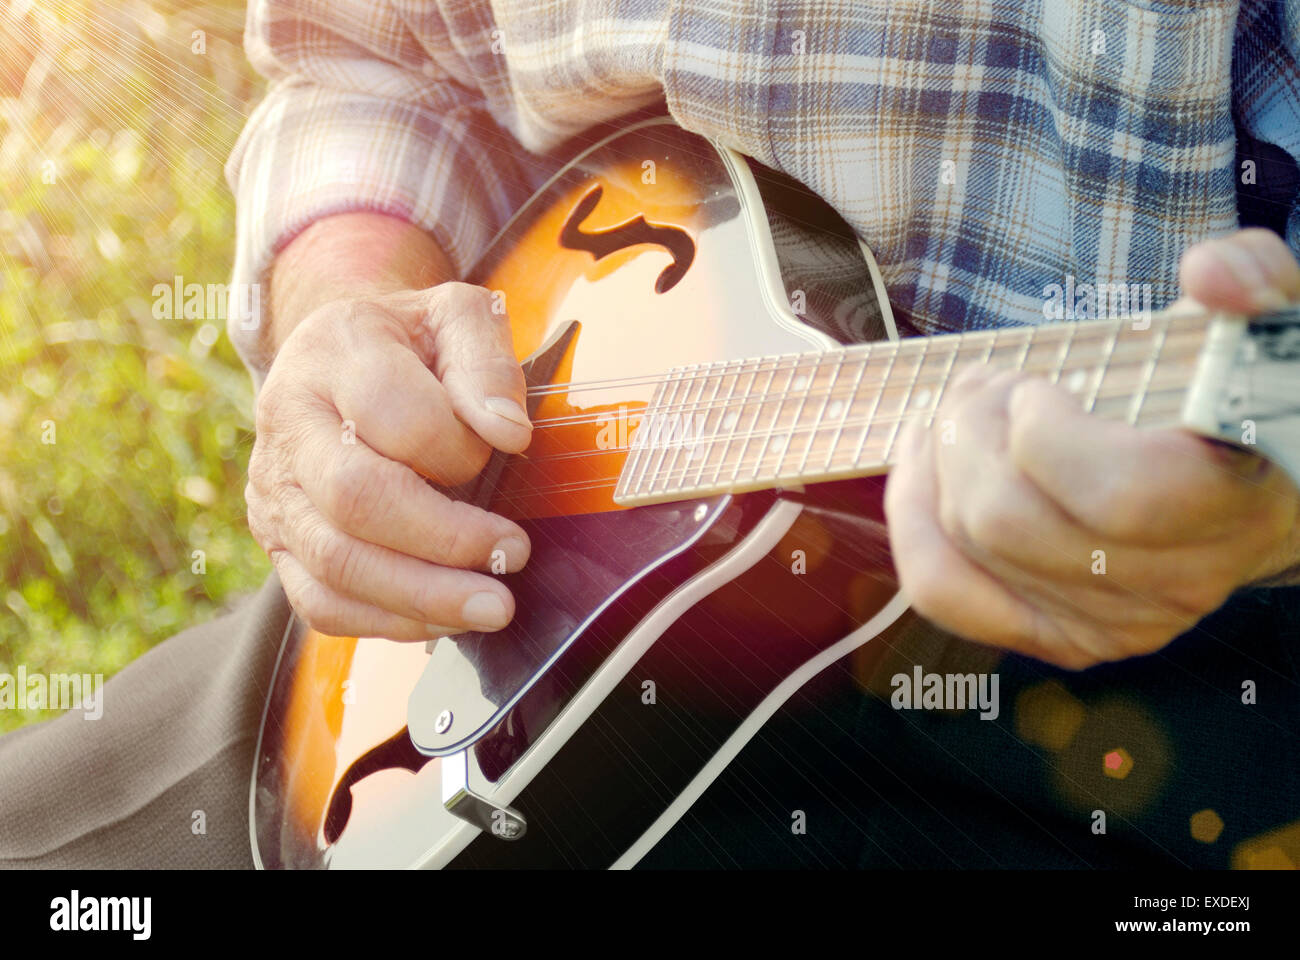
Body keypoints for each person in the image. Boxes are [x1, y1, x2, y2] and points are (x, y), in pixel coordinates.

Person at [1, 0, 1298, 869]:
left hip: (1140, 704)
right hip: (486, 601)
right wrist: (347, 306)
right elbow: (369, 60)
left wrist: (1269, 497)